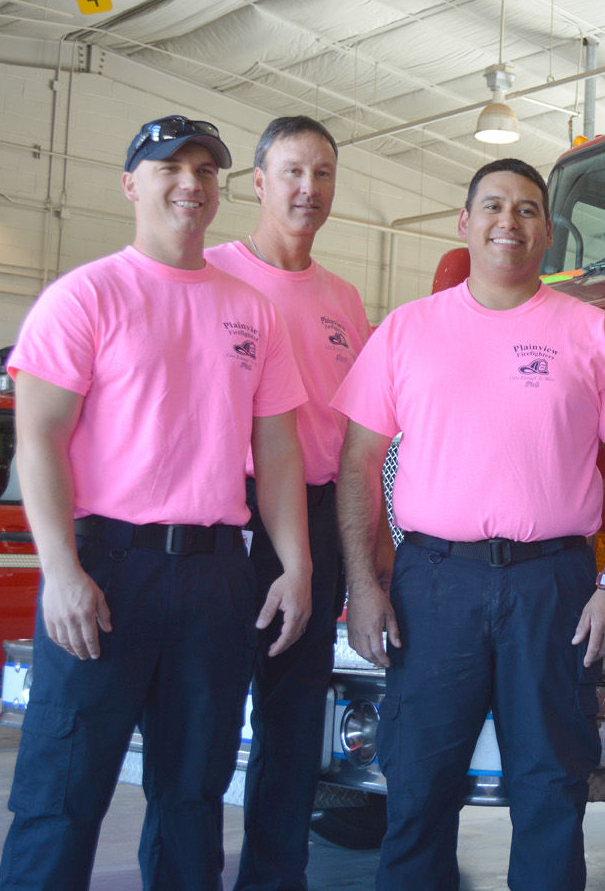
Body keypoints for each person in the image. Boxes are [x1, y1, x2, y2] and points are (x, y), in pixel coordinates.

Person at [0, 116, 312, 891]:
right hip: (106, 571)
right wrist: (62, 571)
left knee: (193, 796)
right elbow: (36, 443)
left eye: (206, 170)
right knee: (62, 792)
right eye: (171, 166)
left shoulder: (253, 311)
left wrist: (296, 565)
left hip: (213, 580)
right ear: (132, 182)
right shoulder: (84, 297)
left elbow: (276, 451)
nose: (191, 184)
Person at [332, 158, 605, 891]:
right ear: (464, 223)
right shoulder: (406, 331)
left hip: (555, 586)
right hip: (434, 584)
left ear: (548, 231)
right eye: (492, 207)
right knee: (418, 785)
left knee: (551, 789)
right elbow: (358, 463)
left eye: (526, 210)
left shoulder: (592, 332)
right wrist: (363, 583)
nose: (508, 222)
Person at [203, 115, 373, 891]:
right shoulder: (209, 274)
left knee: (296, 716)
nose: (309, 190)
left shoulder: (343, 299)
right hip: (225, 519)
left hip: (314, 518)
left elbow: (358, 438)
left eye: (324, 174)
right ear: (259, 182)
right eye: (294, 172)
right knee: (203, 718)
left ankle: (276, 879)